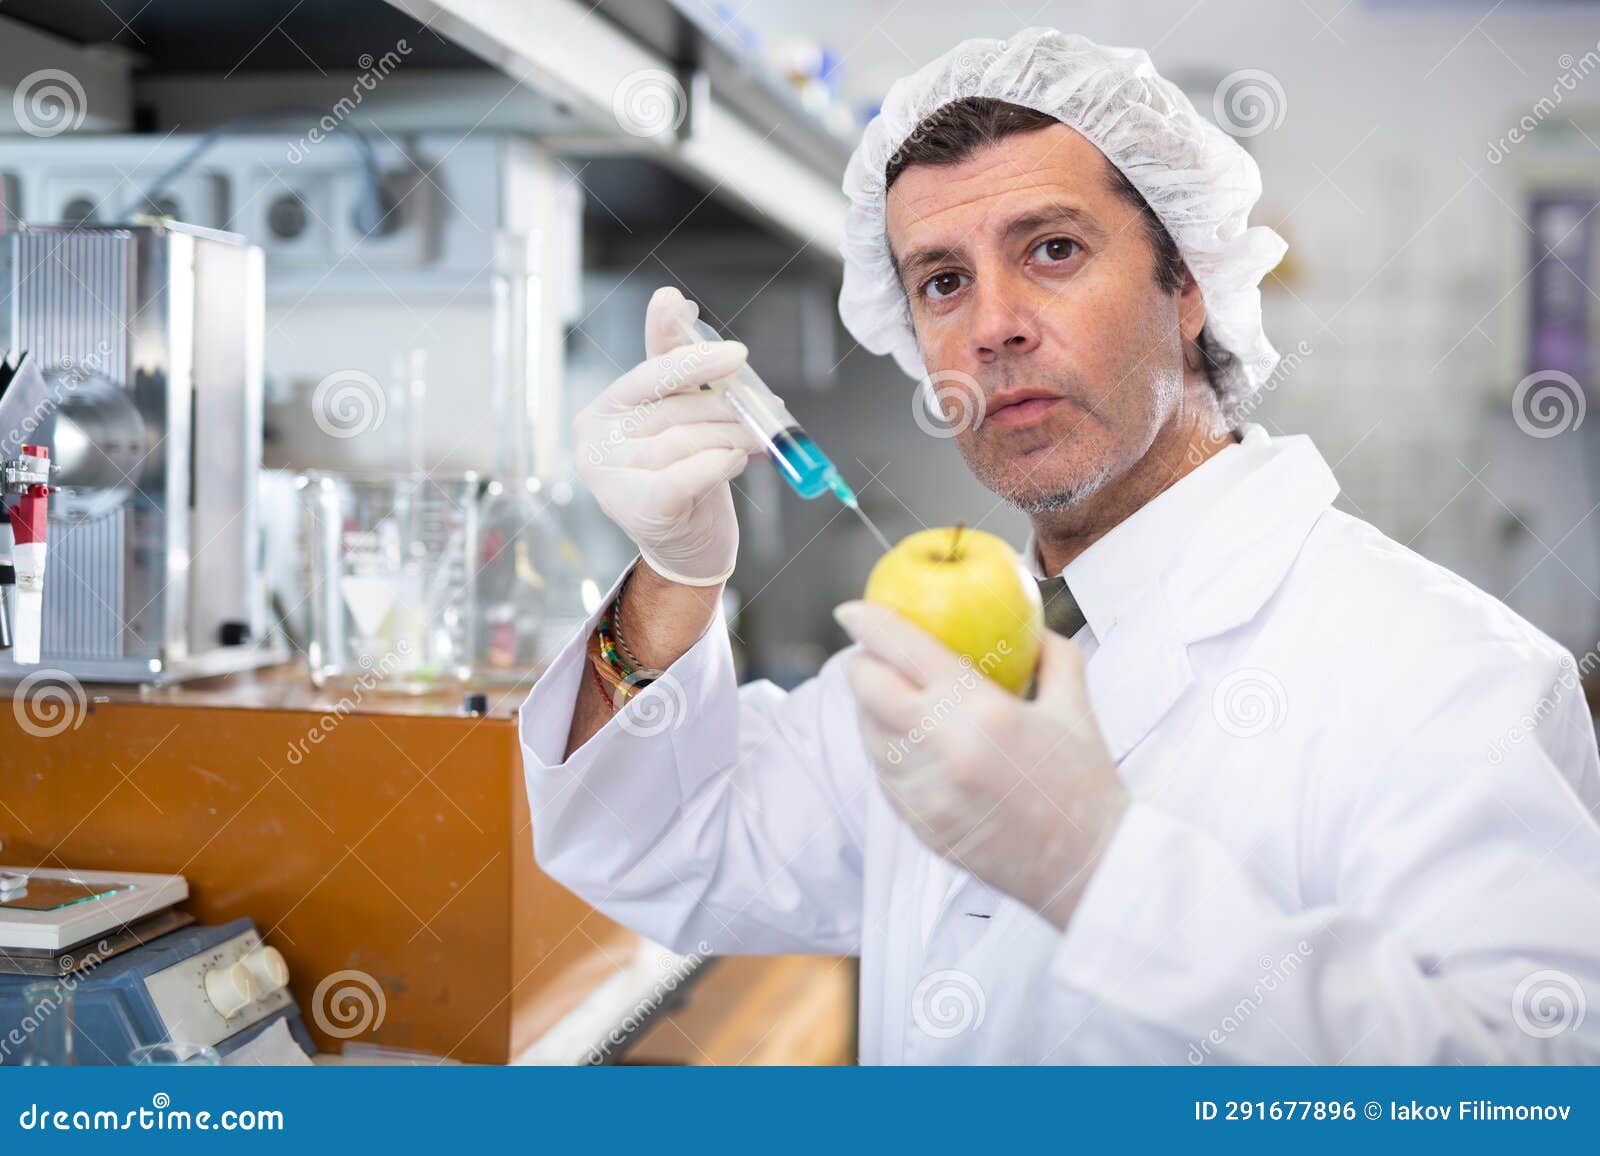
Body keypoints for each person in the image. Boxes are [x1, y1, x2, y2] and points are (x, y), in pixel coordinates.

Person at [518, 28, 1600, 1063]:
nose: (992, 324)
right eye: (942, 280)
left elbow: (1528, 1091)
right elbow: (670, 845)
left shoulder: (1450, 682)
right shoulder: (938, 662)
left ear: (1190, 287)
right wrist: (677, 570)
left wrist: (1105, 874)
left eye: (1051, 249)